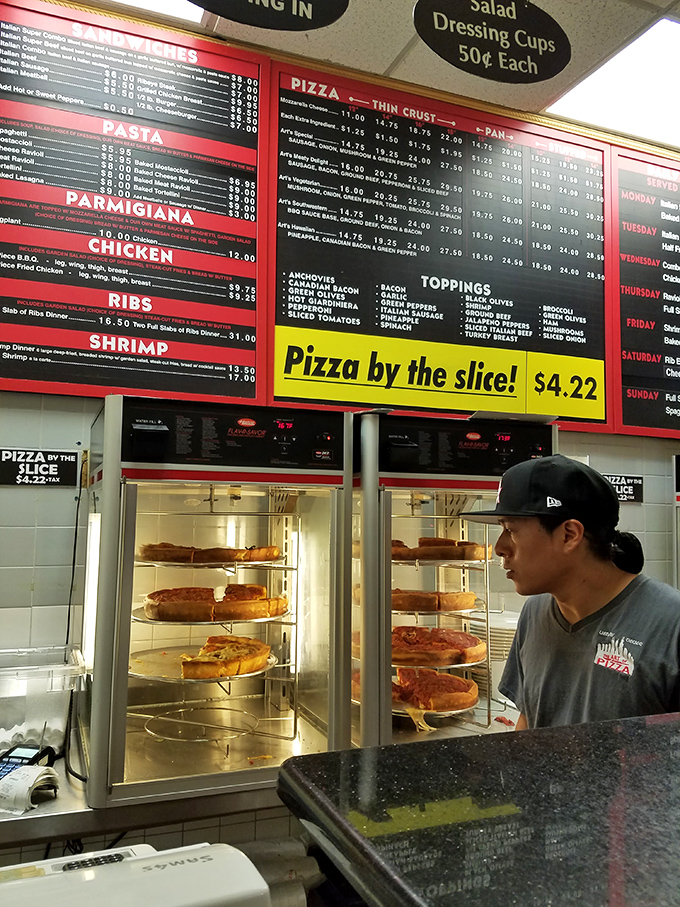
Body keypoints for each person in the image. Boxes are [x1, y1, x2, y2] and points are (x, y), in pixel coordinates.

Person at [462, 453, 680, 729]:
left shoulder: (671, 626)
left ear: (569, 535)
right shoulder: (534, 612)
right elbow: (529, 721)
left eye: (511, 530)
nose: (499, 548)